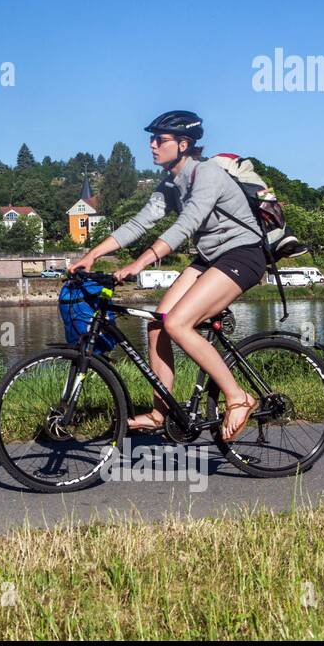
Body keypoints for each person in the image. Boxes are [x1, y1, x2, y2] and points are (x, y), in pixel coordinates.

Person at [69, 110, 266, 441]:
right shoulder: (172, 183)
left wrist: (140, 263)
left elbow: (185, 225)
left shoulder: (207, 175)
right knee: (158, 322)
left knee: (177, 323)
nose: (152, 145)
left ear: (184, 144)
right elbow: (140, 222)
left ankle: (238, 397)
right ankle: (161, 412)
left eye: (160, 140)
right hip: (211, 258)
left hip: (243, 255)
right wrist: (91, 255)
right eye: (152, 139)